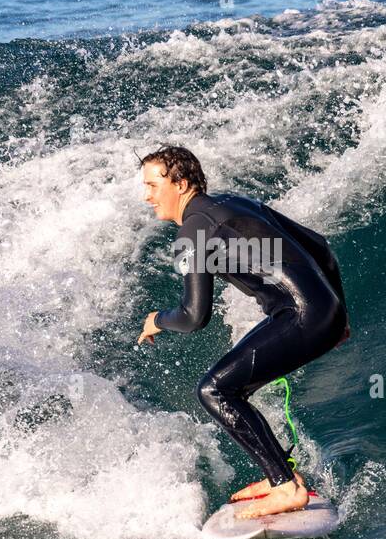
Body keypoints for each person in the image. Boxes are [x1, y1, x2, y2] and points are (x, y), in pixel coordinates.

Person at [137, 146, 350, 519]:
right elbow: (321, 247)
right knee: (233, 386)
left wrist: (157, 319)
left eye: (154, 185)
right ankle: (280, 476)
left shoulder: (192, 233)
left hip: (298, 316)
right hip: (319, 311)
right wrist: (338, 316)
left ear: (181, 183)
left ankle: (286, 488)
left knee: (214, 390)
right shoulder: (234, 202)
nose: (148, 195)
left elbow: (192, 316)